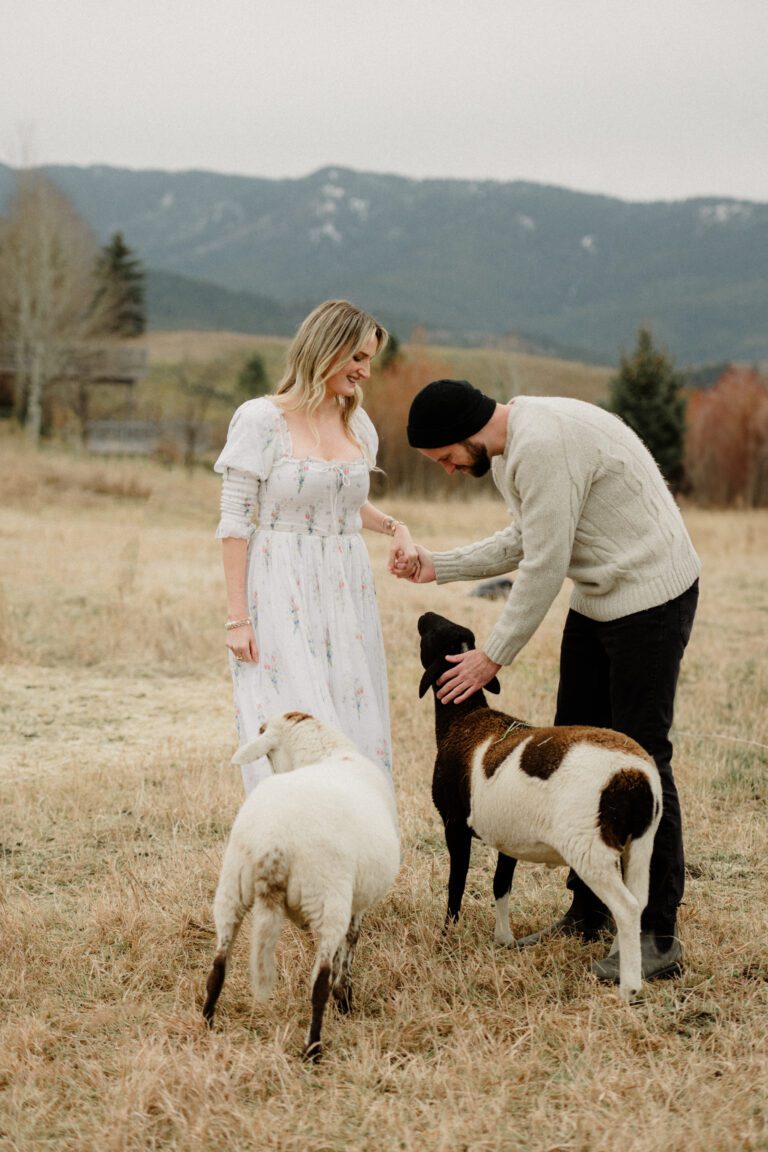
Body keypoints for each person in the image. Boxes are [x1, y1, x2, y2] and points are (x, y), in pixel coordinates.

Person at [398, 378, 700, 982]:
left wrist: (493, 656)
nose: (452, 471)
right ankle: (589, 907)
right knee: (577, 747)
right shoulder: (511, 450)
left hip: (651, 593)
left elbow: (544, 562)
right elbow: (525, 538)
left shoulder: (541, 444)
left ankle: (655, 932)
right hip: (599, 595)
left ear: (463, 433)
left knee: (642, 749)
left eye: (446, 459)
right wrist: (442, 566)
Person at [214, 300, 418, 794]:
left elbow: (346, 504)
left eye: (369, 360)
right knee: (293, 712)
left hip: (346, 587)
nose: (365, 372)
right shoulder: (261, 420)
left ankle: (350, 831)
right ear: (326, 349)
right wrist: (238, 619)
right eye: (357, 359)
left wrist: (396, 528)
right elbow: (235, 521)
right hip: (281, 582)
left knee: (350, 709)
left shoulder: (358, 426)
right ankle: (288, 829)